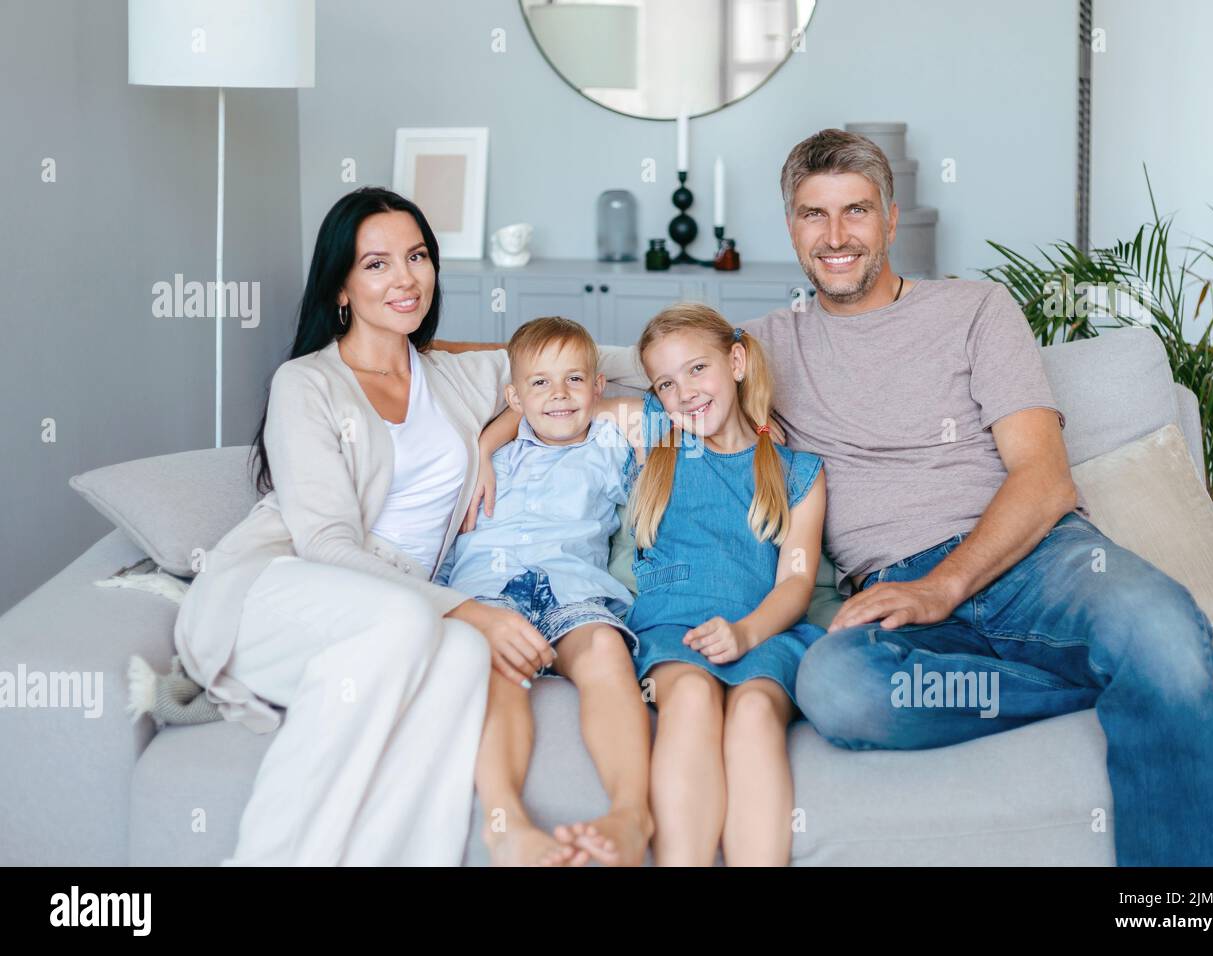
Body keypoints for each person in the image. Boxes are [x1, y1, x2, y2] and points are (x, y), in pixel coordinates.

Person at [747, 128, 1213, 865]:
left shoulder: (976, 310)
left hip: (1039, 559)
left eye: (856, 212)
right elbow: (642, 389)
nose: (835, 237)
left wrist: (944, 585)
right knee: (837, 686)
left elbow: (1045, 477)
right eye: (813, 214)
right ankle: (1134, 677)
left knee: (1154, 616)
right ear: (791, 225)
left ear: (891, 221)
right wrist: (521, 400)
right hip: (894, 587)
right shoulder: (762, 347)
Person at [172, 187, 643, 865]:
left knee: (457, 660)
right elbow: (325, 544)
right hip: (287, 587)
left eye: (417, 256)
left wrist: (711, 378)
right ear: (340, 284)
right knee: (429, 629)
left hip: (408, 608)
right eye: (377, 264)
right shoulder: (306, 384)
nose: (405, 278)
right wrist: (471, 611)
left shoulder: (453, 376)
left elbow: (586, 360)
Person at [602, 303, 826, 866]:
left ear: (737, 360)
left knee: (753, 712)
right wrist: (486, 447)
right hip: (673, 628)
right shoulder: (659, 435)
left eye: (698, 369)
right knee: (694, 695)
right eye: (666, 383)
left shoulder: (799, 472)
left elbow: (796, 584)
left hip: (765, 632)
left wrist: (748, 633)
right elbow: (555, 395)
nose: (685, 393)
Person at [438, 317, 652, 867]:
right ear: (513, 396)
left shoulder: (609, 442)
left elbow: (658, 412)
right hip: (488, 592)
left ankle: (631, 814)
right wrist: (491, 440)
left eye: (574, 380)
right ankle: (505, 823)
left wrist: (586, 407)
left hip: (572, 589)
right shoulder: (488, 449)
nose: (558, 395)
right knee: (493, 665)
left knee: (606, 649)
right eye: (540, 383)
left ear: (598, 386)